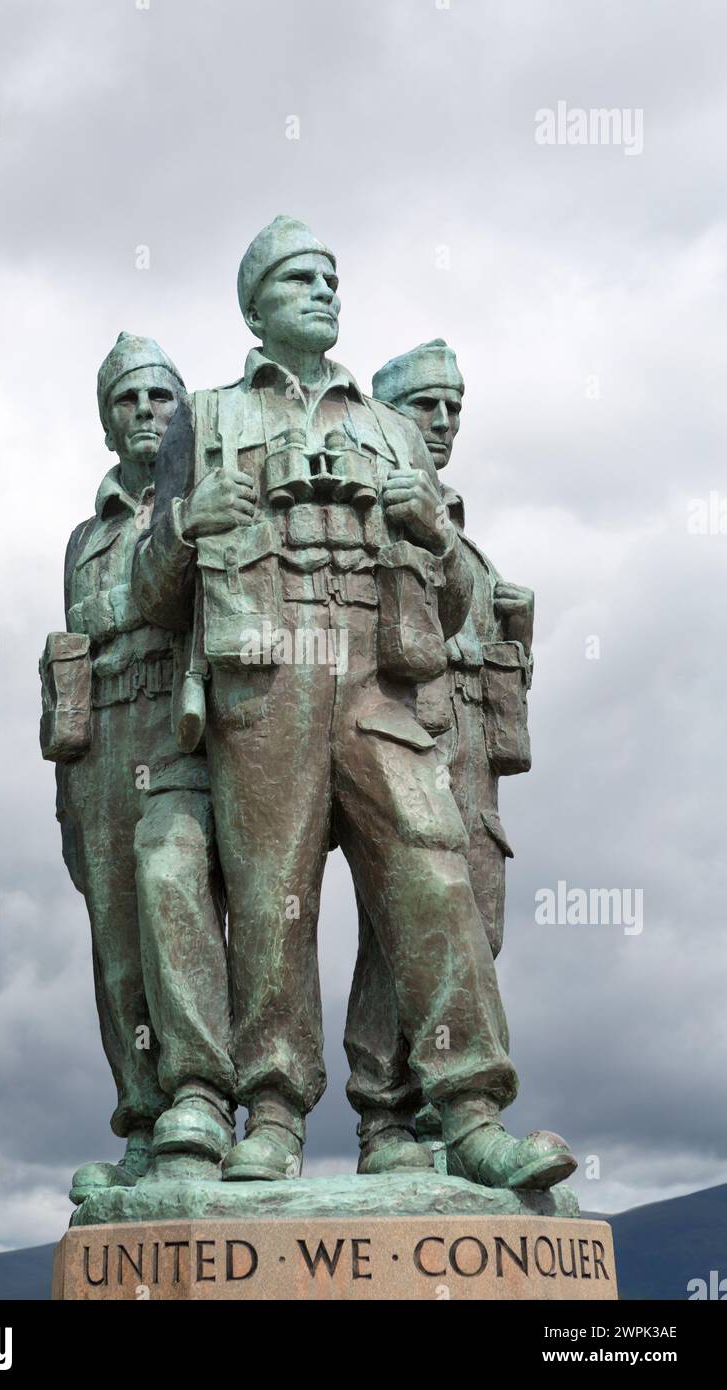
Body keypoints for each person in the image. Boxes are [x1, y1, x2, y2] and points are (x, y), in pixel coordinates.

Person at [133, 217, 576, 1191]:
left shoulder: (390, 430)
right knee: (269, 899)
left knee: (432, 873)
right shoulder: (200, 420)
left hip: (379, 678)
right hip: (264, 681)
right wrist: (181, 532)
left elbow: (458, 597)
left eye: (330, 277)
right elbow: (149, 594)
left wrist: (436, 534)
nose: (322, 291)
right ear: (254, 305)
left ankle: (467, 1111)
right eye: (297, 279)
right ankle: (275, 1111)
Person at [42, 333, 234, 1204]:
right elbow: (71, 660)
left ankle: (202, 1097)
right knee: (117, 947)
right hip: (97, 749)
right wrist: (67, 805)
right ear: (107, 421)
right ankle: (146, 1123)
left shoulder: (204, 498)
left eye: (161, 397)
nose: (148, 413)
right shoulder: (83, 535)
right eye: (129, 400)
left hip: (177, 731)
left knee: (170, 893)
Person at [345, 338, 537, 1172]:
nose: (447, 418)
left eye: (456, 405)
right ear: (387, 417)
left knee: (474, 926)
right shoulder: (365, 513)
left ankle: (432, 1114)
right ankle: (387, 1114)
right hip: (397, 734)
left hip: (472, 759)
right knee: (403, 925)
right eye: (428, 404)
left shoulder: (467, 540)